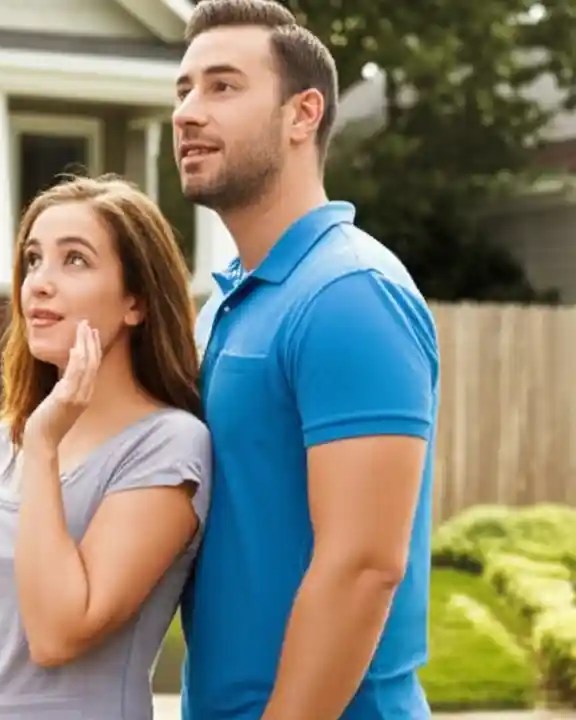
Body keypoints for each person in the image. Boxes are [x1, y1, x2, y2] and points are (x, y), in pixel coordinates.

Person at [171, 1, 442, 718]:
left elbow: (364, 567)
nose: (188, 113)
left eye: (222, 87)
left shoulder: (349, 293)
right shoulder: (229, 304)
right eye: (184, 89)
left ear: (303, 114)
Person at [0, 174, 213, 720]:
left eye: (74, 260)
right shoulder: (3, 446)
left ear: (136, 302)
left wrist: (45, 444)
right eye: (33, 260)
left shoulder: (166, 446)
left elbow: (57, 633)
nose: (39, 283)